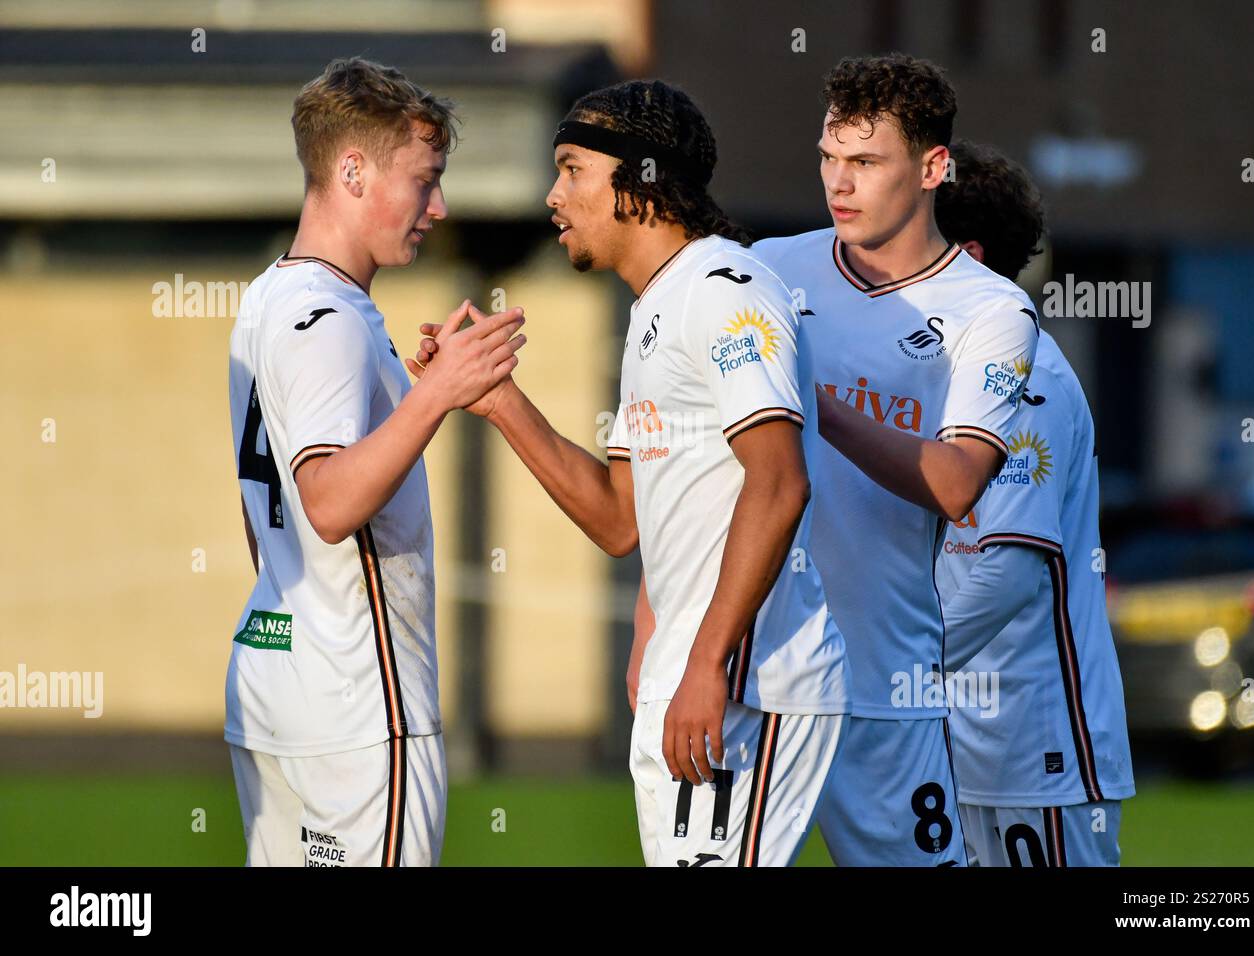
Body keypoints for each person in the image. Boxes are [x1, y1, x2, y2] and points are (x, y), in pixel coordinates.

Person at [413, 79, 850, 867]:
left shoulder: (725, 290)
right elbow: (620, 519)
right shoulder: (655, 307)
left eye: (573, 168)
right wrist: (499, 399)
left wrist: (706, 664)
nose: (554, 195)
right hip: (697, 687)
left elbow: (780, 481)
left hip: (747, 687)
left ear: (641, 183)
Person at [226, 57, 525, 866]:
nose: (440, 205)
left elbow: (269, 515)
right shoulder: (330, 315)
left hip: (275, 680)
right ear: (352, 170)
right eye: (425, 180)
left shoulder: (268, 298)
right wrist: (439, 397)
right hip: (356, 708)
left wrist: (412, 393)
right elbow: (325, 502)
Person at [754, 53, 1040, 866]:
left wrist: (807, 392)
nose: (838, 183)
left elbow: (955, 483)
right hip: (759, 675)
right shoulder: (768, 268)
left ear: (932, 168)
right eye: (828, 158)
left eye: (866, 162)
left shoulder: (991, 309)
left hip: (887, 687)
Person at [934, 139, 1135, 866]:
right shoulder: (942, 373)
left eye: (914, 239)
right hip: (960, 739)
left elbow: (1012, 574)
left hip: (1036, 745)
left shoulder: (1029, 379)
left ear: (971, 258)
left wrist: (900, 670)